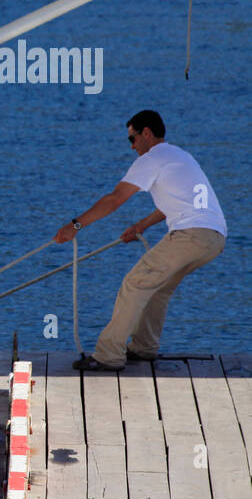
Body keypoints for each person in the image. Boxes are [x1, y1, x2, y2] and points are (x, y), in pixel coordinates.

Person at [52, 110, 226, 371]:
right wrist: (141, 226)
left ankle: (108, 355)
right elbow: (177, 203)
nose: (132, 146)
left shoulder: (153, 158)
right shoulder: (179, 156)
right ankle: (144, 348)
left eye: (132, 139)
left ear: (146, 133)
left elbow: (115, 199)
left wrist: (76, 225)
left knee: (135, 283)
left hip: (190, 234)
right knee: (158, 288)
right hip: (213, 237)